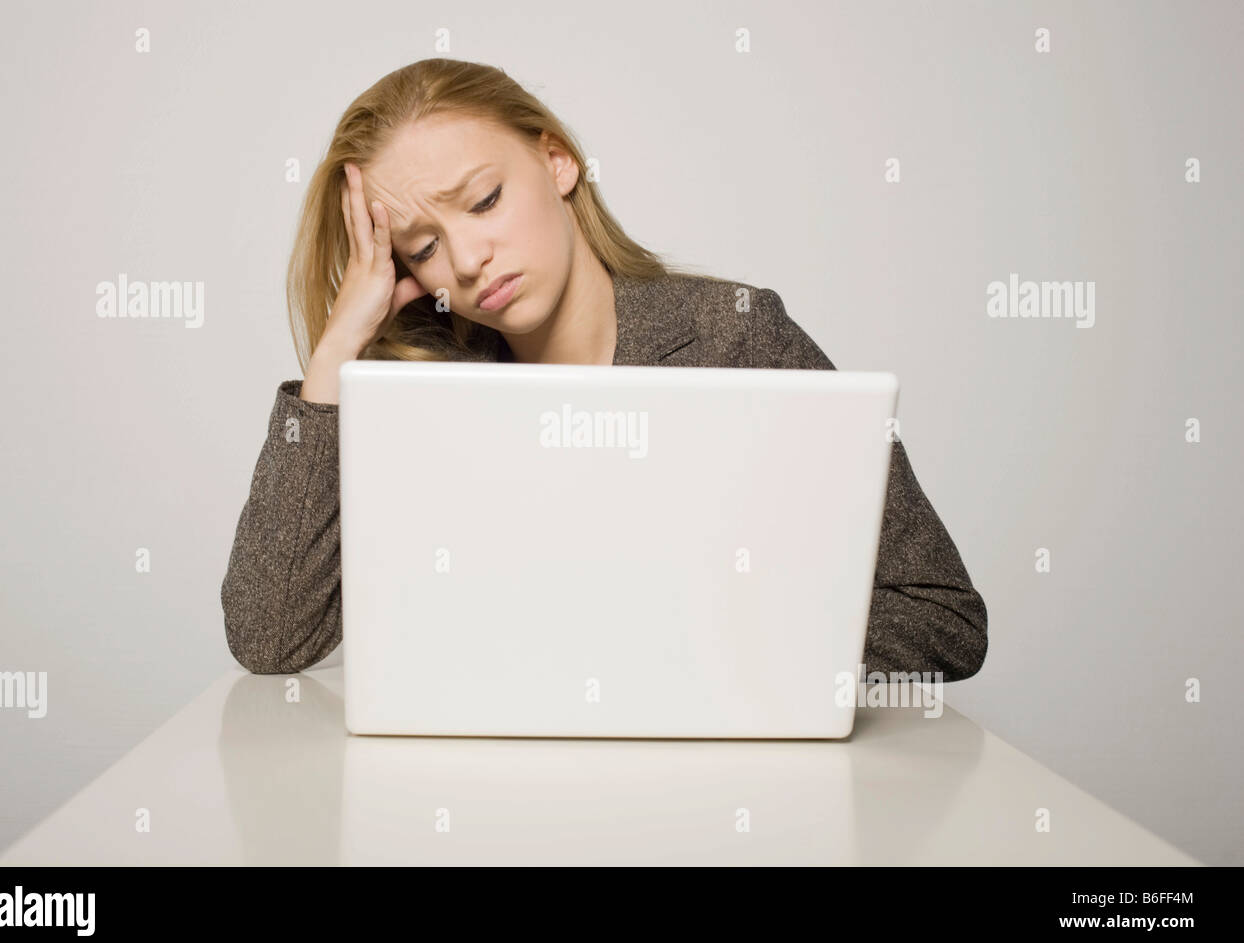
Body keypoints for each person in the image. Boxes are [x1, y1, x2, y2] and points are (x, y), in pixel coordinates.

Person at [220, 57, 988, 681]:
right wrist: (332, 356)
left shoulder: (740, 341)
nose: (466, 258)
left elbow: (942, 619)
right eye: (422, 248)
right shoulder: (420, 395)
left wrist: (692, 635)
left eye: (484, 200)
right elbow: (271, 637)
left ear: (557, 161)